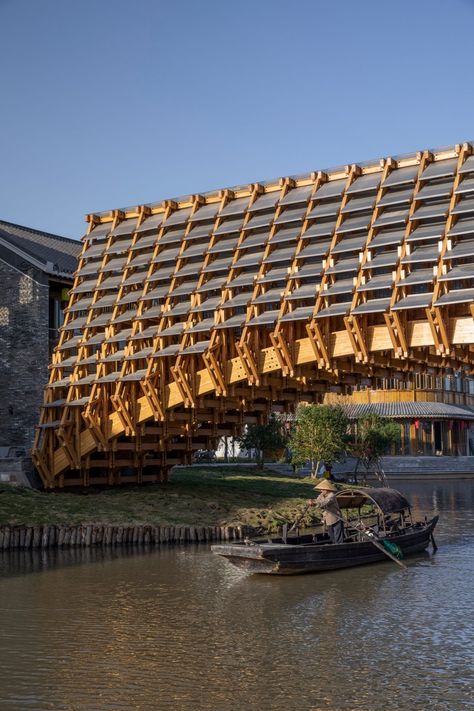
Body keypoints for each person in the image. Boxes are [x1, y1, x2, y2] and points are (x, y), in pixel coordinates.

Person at [307, 479, 344, 544]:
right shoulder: (321, 495)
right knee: (332, 537)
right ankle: (334, 546)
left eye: (323, 489)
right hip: (328, 519)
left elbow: (325, 502)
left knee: (338, 538)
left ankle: (338, 547)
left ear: (327, 489)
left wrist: (315, 503)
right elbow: (317, 500)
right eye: (321, 489)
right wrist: (311, 501)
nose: (321, 490)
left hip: (336, 518)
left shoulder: (332, 495)